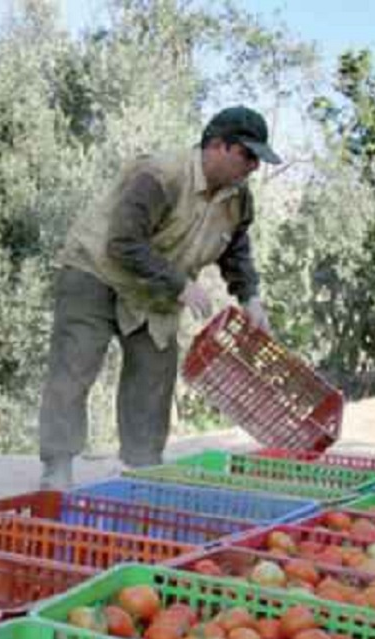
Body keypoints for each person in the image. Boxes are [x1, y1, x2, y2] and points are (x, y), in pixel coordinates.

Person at [37, 106, 279, 489]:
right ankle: (57, 466)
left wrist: (250, 297)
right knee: (74, 365)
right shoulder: (160, 175)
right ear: (217, 146)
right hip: (97, 271)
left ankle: (143, 469)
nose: (253, 167)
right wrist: (181, 284)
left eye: (257, 159)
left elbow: (236, 250)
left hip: (154, 288)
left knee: (154, 375)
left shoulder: (238, 199)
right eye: (247, 156)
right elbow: (123, 243)